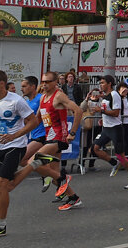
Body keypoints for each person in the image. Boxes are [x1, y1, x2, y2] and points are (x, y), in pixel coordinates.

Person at [0, 70, 39, 239]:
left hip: (16, 146)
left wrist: (14, 136)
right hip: (0, 147)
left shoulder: (16, 101)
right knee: (6, 186)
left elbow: (34, 122)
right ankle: (35, 164)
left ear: (1, 84)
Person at [12, 71, 83, 211]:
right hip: (49, 137)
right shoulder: (43, 98)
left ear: (55, 82)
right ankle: (73, 198)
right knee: (53, 171)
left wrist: (72, 133)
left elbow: (78, 111)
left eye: (48, 82)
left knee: (33, 161)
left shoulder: (59, 96)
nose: (44, 84)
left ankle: (64, 178)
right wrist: (18, 134)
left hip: (59, 138)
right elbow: (37, 120)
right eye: (43, 81)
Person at [91, 74, 128, 187]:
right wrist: (103, 118)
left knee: (120, 155)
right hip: (106, 128)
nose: (100, 85)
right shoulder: (106, 96)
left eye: (102, 83)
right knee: (94, 149)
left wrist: (101, 111)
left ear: (109, 83)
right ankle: (114, 163)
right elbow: (107, 110)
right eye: (100, 83)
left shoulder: (115, 95)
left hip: (116, 129)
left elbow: (116, 113)